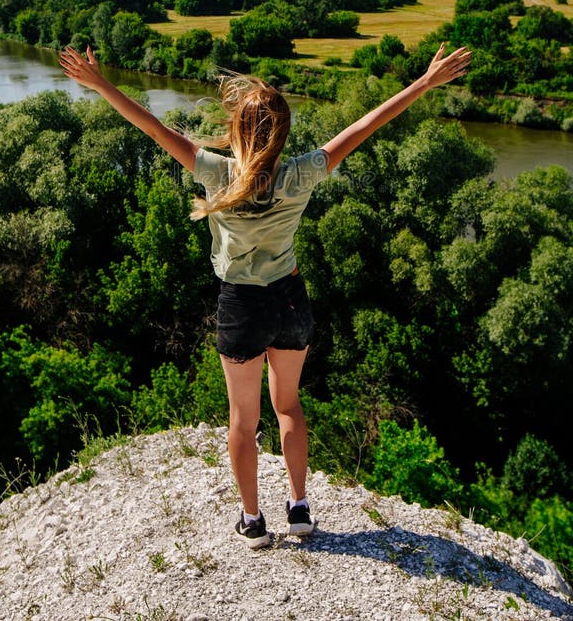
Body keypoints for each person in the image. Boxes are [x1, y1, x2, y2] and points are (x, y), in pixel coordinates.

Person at [59, 41, 471, 548]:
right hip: (290, 300)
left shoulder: (215, 172)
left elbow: (151, 125)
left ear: (237, 132)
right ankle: (299, 508)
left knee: (242, 418)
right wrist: (424, 83)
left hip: (241, 304)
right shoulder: (301, 173)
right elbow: (367, 125)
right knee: (289, 407)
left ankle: (252, 521)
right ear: (282, 135)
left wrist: (100, 84)